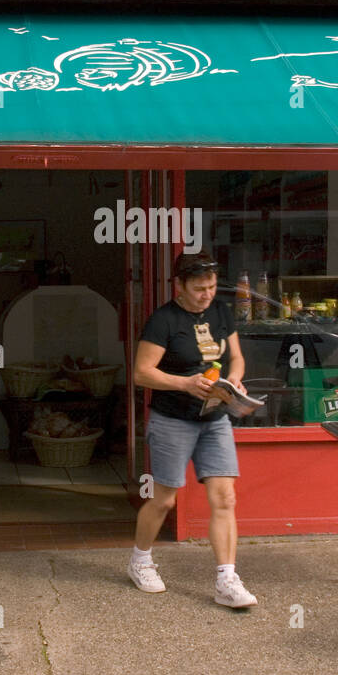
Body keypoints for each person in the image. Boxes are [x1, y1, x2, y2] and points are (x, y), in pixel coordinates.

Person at [128, 251, 258, 608]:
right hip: (173, 419)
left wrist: (235, 379)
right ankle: (140, 560)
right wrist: (184, 383)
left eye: (213, 287)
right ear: (180, 286)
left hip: (215, 417)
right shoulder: (163, 320)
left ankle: (227, 579)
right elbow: (142, 372)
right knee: (165, 499)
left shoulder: (220, 312)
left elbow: (237, 358)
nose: (207, 294)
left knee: (225, 497)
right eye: (200, 288)